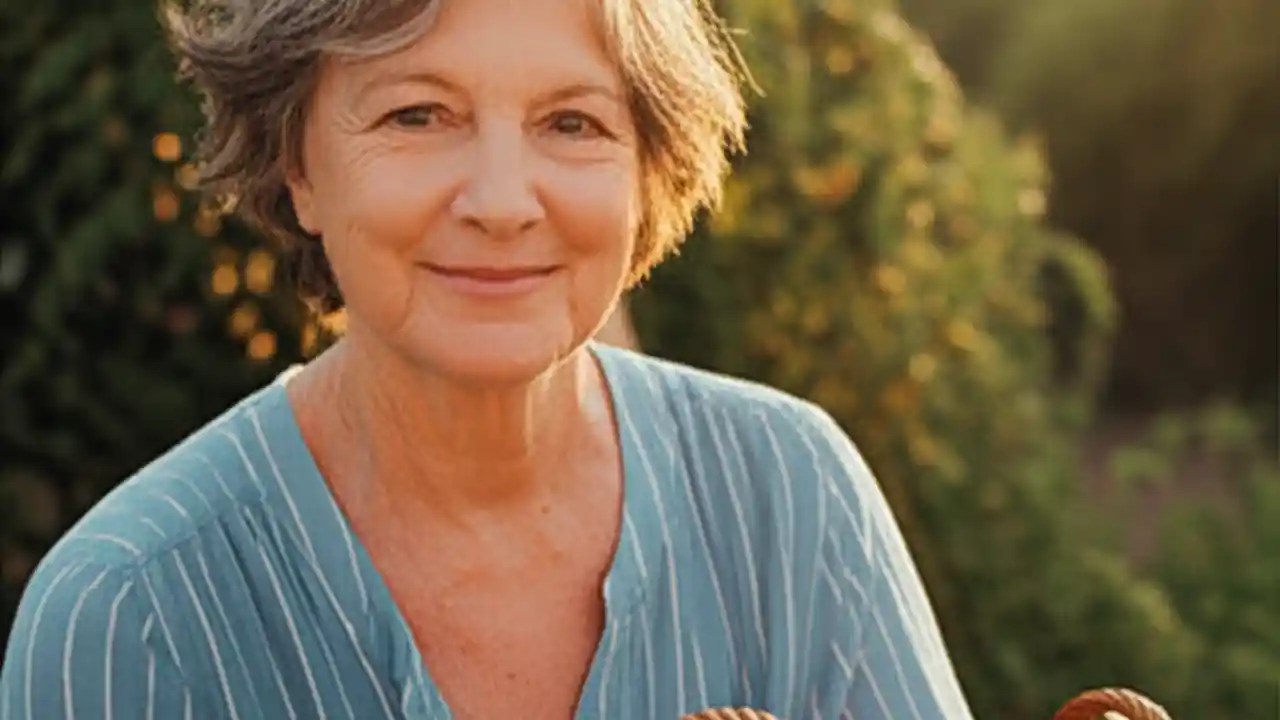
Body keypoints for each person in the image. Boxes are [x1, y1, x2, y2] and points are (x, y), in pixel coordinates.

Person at [0, 0, 974, 717]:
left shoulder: (792, 497)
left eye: (571, 122)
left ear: (647, 169)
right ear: (297, 167)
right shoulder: (130, 613)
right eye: (418, 116)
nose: (502, 202)